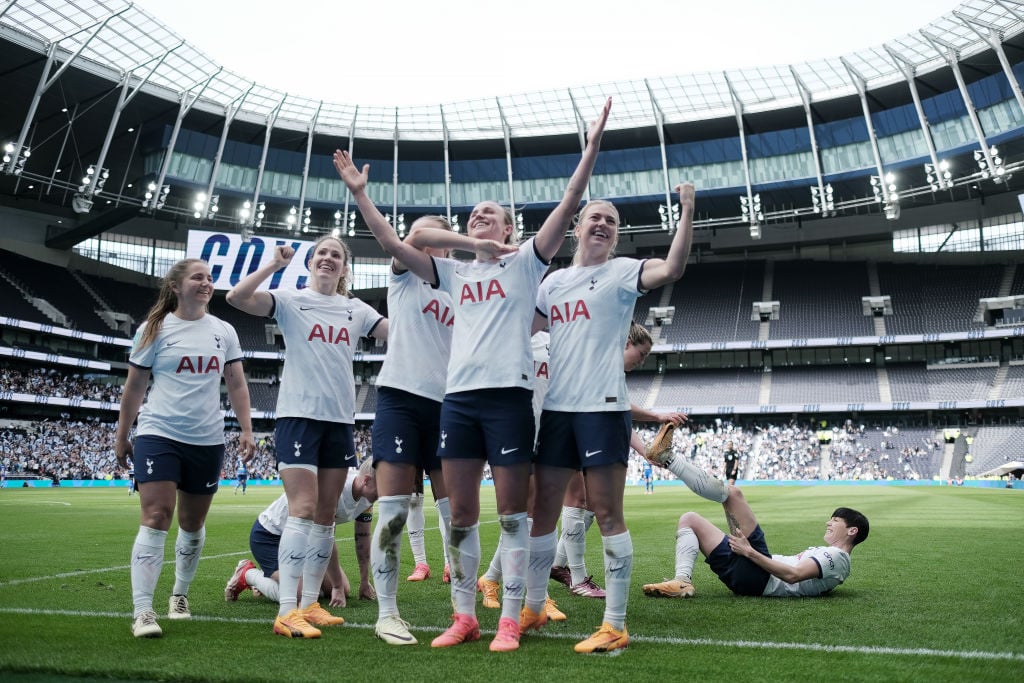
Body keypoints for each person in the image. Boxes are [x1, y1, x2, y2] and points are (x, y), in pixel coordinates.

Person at [333, 96, 611, 653]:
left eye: (493, 214)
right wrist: (361, 195)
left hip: (508, 398)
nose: (481, 217)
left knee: (511, 515)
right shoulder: (452, 273)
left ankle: (510, 618)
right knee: (460, 513)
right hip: (456, 401)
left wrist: (591, 149)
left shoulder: (528, 263)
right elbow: (395, 241)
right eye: (475, 214)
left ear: (512, 228)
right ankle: (465, 616)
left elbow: (571, 201)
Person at [523, 182, 695, 654]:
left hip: (602, 410)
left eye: (611, 221)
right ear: (577, 228)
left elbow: (674, 267)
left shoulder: (622, 272)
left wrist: (687, 210)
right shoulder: (552, 284)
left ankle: (615, 624)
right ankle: (534, 606)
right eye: (593, 217)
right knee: (543, 512)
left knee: (606, 513)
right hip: (557, 410)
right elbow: (522, 330)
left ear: (616, 236)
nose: (601, 224)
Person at [226, 236, 387, 639]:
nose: (329, 258)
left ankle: (311, 603)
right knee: (302, 508)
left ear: (345, 268)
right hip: (298, 416)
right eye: (322, 253)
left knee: (325, 515)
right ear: (311, 262)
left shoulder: (355, 309)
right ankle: (287, 611)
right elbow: (236, 297)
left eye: (336, 254)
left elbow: (399, 332)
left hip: (338, 422)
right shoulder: (290, 299)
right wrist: (273, 265)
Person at [114, 258, 255, 639]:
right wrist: (122, 434)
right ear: (176, 286)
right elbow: (135, 388)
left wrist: (246, 429)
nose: (207, 283)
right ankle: (143, 610)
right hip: (159, 433)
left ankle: (179, 594)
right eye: (198, 277)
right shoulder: (154, 329)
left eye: (210, 278)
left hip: (207, 438)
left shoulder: (224, 331)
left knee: (192, 526)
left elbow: (237, 384)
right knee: (157, 515)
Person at [641, 450, 869, 598]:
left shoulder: (837, 557)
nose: (828, 523)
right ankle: (682, 581)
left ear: (852, 530)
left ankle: (668, 458)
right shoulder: (832, 559)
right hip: (748, 577)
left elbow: (793, 575)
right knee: (689, 520)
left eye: (835, 520)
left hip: (760, 575)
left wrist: (750, 552)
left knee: (732, 494)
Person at [225, 457, 377, 607]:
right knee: (300, 595)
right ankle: (248, 574)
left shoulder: (368, 499)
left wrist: (364, 581)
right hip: (270, 535)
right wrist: (337, 586)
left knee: (343, 589)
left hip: (305, 539)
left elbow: (362, 537)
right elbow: (326, 538)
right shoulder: (333, 489)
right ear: (367, 480)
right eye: (381, 486)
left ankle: (280, 580)